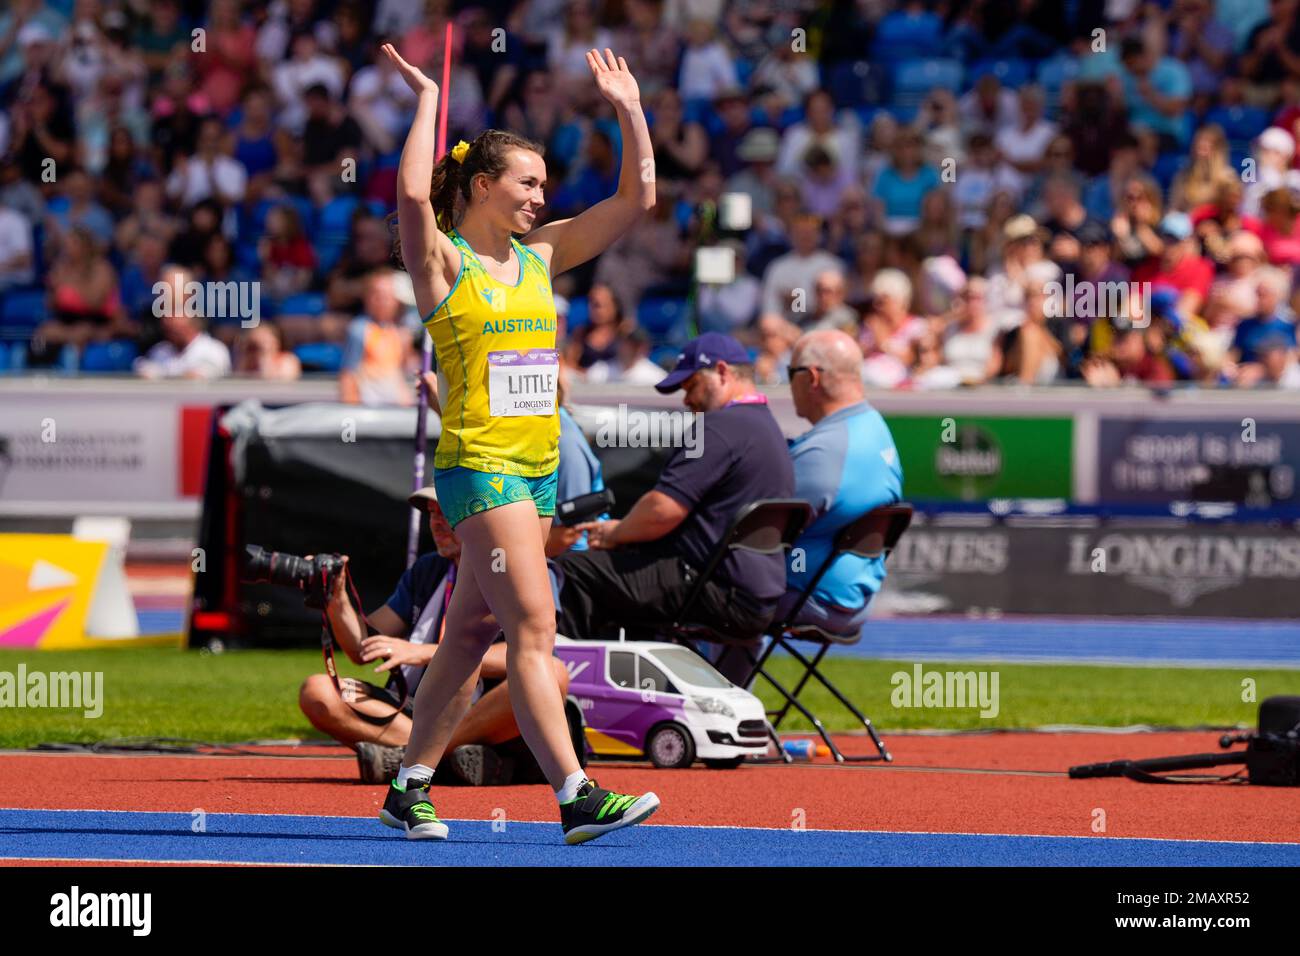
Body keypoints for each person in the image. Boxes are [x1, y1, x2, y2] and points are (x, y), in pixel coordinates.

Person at [381, 42, 658, 843]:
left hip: (537, 474)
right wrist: (430, 97)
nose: (541, 198)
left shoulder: (541, 258)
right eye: (527, 184)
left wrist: (629, 108)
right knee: (535, 629)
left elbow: (636, 199)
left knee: (468, 635)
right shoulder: (445, 265)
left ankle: (410, 785)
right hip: (481, 471)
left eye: (543, 185)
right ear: (479, 188)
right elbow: (407, 191)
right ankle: (574, 793)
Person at [552, 332, 795, 677]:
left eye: (691, 385)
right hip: (757, 593)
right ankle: (635, 692)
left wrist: (615, 532)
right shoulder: (769, 428)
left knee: (573, 569)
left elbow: (662, 510)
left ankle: (570, 692)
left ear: (723, 372)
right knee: (619, 578)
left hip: (713, 589)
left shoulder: (718, 428)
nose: (687, 400)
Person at [298, 486, 575, 787]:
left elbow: (534, 652)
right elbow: (363, 646)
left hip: (489, 714)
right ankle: (446, 761)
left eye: (447, 512)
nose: (437, 522)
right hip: (425, 705)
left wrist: (424, 653)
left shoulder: (524, 567)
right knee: (319, 692)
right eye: (432, 513)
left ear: (482, 516)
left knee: (554, 673)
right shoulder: (428, 569)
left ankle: (412, 760)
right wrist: (336, 599)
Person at [772, 330, 903, 652]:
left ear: (812, 377)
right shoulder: (874, 428)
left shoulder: (828, 451)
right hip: (848, 598)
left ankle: (713, 698)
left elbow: (758, 529)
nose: (788, 384)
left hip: (811, 598)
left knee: (692, 586)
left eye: (791, 373)